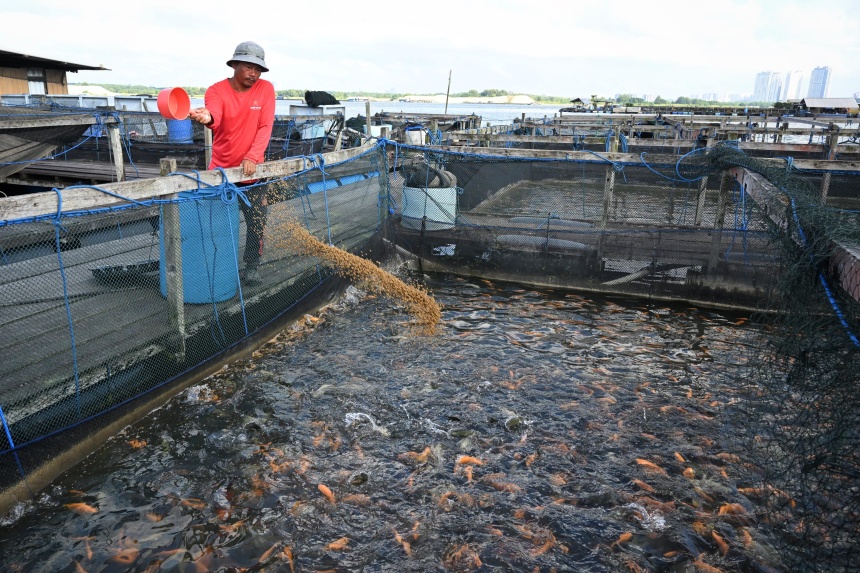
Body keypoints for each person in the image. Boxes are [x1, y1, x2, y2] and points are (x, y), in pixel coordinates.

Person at [189, 41, 276, 285]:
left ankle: (252, 267)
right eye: (249, 67)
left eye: (258, 69)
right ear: (234, 64)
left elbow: (265, 126)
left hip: (253, 172)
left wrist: (252, 156)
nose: (254, 74)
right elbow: (213, 115)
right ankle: (217, 265)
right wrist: (207, 117)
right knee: (216, 224)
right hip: (221, 172)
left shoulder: (265, 89)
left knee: (256, 223)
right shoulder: (216, 90)